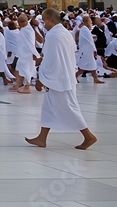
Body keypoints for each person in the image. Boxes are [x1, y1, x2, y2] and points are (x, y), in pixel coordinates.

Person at [26, 8, 98, 150]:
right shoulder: (63, 32)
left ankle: (88, 136)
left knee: (70, 108)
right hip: (64, 76)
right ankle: (41, 138)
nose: (43, 24)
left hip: (59, 79)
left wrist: (42, 78)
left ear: (49, 20)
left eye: (43, 21)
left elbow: (53, 60)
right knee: (48, 109)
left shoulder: (54, 35)